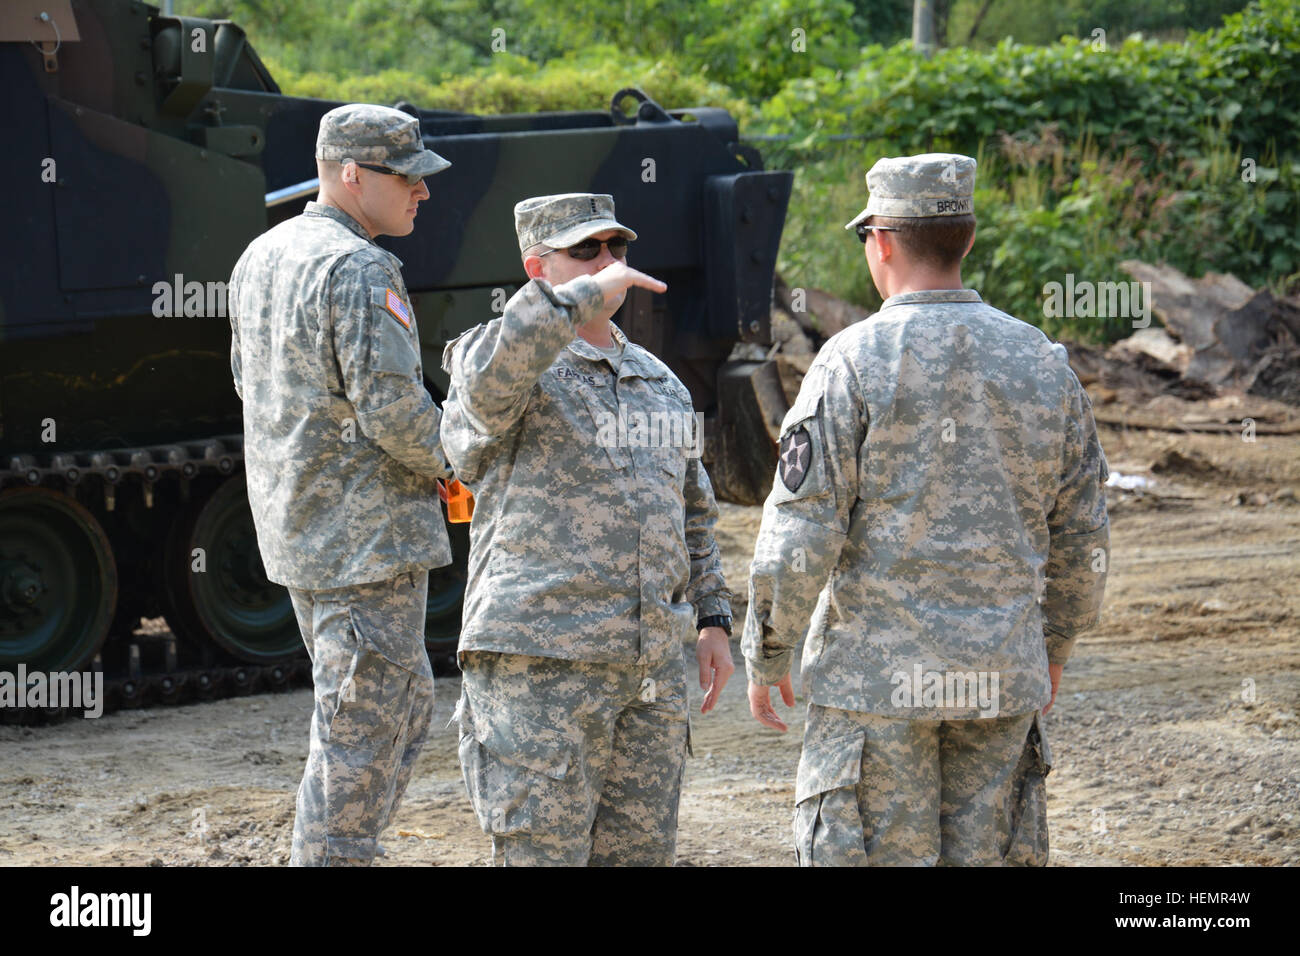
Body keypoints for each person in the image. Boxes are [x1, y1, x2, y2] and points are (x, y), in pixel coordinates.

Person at [743, 153, 1110, 866]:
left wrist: (769, 649)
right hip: (1000, 679)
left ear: (879, 240)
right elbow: (1083, 534)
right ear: (967, 240)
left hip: (875, 687)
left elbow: (801, 527)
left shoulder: (851, 362)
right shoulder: (1043, 363)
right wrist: (1054, 645)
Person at [440, 193, 735, 866]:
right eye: (586, 252)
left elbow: (692, 511)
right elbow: (478, 406)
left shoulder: (659, 383)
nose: (609, 266)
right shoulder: (504, 361)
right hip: (540, 676)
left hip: (648, 677)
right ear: (536, 266)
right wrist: (572, 305)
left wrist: (712, 620)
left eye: (616, 250)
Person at [227, 103, 454, 866]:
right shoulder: (359, 267)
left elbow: (247, 383)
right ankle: (337, 856)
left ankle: (335, 850)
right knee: (370, 720)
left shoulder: (262, 254)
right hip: (365, 536)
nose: (421, 192)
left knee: (372, 706)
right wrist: (465, 458)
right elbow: (392, 407)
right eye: (407, 178)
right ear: (350, 174)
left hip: (302, 525)